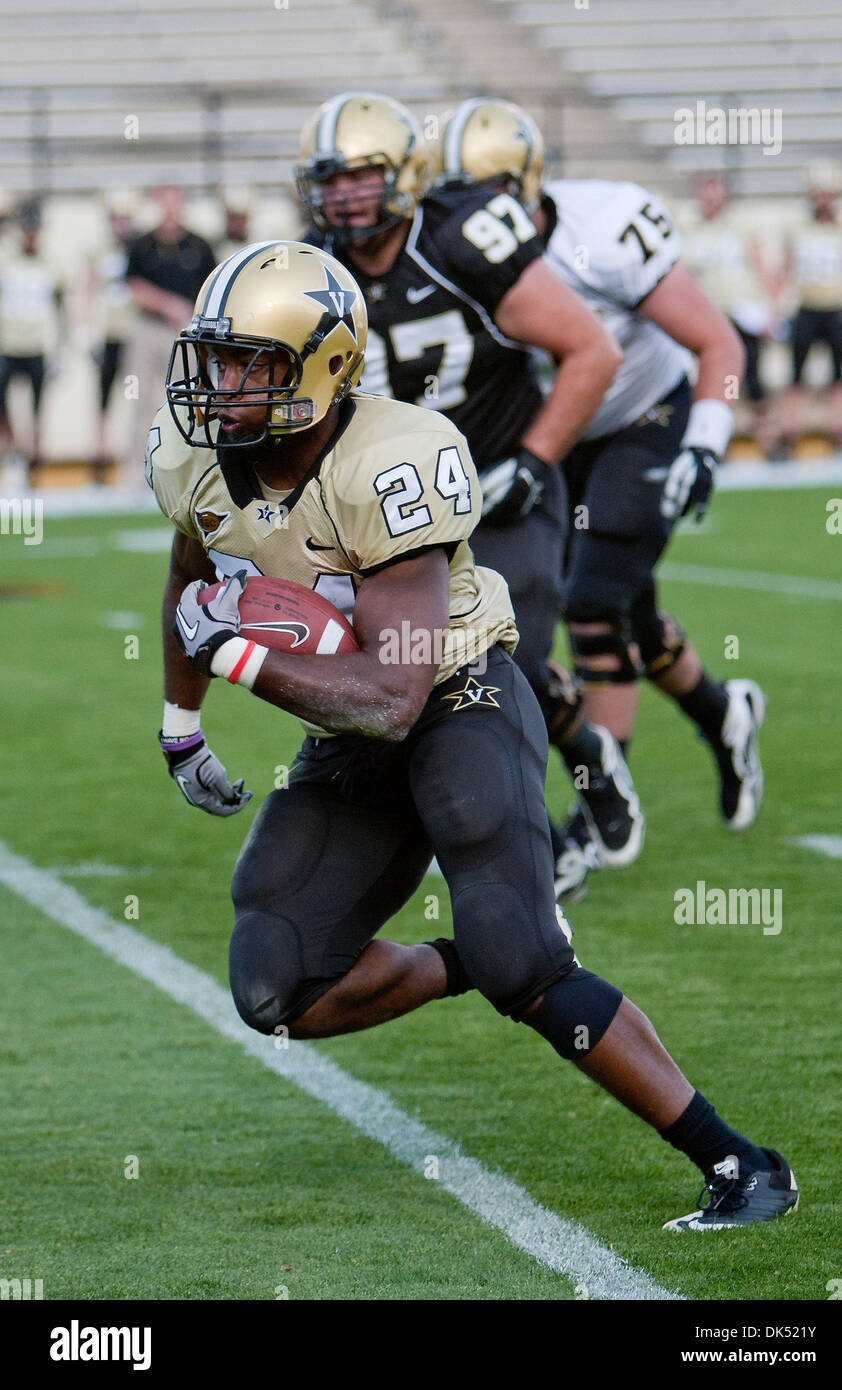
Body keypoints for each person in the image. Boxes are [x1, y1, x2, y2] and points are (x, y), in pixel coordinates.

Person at [149, 238, 798, 1231]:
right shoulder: (191, 456)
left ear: (321, 370)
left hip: (454, 694)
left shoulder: (393, 456)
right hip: (349, 721)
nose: (221, 384)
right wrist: (181, 720)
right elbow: (188, 576)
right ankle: (465, 964)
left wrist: (233, 657)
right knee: (276, 980)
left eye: (252, 364)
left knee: (522, 957)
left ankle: (738, 1163)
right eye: (216, 357)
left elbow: (393, 695)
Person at [296, 92, 640, 898]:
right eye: (329, 179)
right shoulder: (315, 267)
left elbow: (589, 351)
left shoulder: (459, 240)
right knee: (416, 677)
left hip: (499, 486)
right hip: (398, 516)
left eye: (362, 175)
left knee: (485, 668)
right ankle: (582, 756)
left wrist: (532, 458)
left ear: (407, 173)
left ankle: (537, 846)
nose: (343, 194)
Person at [437, 99, 767, 843]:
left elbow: (719, 342)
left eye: (481, 195)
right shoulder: (450, 262)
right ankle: (724, 714)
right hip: (556, 440)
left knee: (591, 606)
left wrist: (705, 445)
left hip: (645, 418)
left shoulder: (602, 231)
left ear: (525, 186)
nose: (466, 217)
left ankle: (595, 809)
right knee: (626, 617)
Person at [124, 185, 216, 488]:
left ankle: (185, 470)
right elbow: (134, 287)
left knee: (185, 400)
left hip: (184, 331)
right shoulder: (142, 244)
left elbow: (210, 285)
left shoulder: (198, 245)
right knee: (140, 400)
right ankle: (137, 472)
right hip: (149, 328)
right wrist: (167, 304)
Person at [680, 175, 777, 457]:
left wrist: (769, 308)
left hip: (742, 314)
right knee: (709, 382)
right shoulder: (691, 229)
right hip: (708, 317)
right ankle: (717, 442)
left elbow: (760, 267)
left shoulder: (740, 227)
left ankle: (768, 440)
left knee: (753, 380)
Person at [779, 167, 842, 456]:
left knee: (839, 375)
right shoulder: (799, 228)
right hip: (805, 307)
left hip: (837, 308)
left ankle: (840, 437)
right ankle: (790, 436)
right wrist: (780, 304)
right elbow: (785, 268)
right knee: (796, 375)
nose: (822, 199)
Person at [0, 203, 63, 485]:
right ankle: (11, 452)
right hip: (8, 345)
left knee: (37, 410)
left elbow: (62, 311)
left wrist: (61, 349)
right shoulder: (6, 260)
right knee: (4, 407)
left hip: (37, 346)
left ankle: (33, 467)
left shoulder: (51, 264)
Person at [88, 192, 138, 483]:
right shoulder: (99, 250)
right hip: (108, 333)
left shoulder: (140, 249)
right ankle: (100, 464)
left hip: (132, 334)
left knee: (139, 399)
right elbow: (89, 288)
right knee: (103, 402)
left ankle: (135, 462)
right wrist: (88, 332)